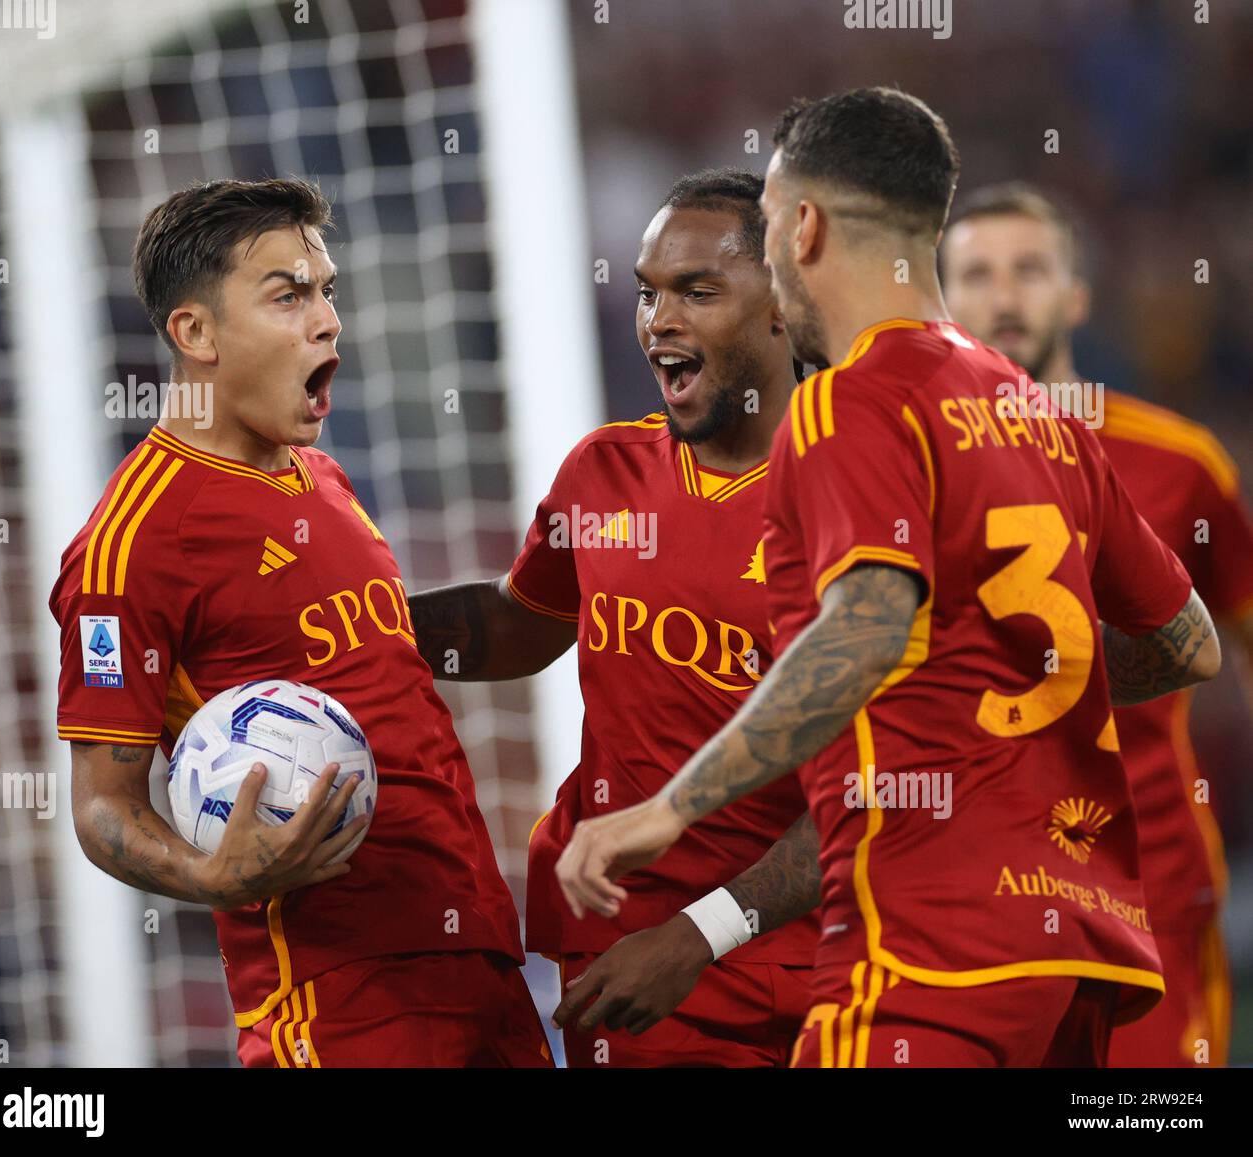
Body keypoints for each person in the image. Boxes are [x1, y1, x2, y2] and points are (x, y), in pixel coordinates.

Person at [555, 88, 1222, 1068]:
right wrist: (991, 673)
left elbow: (863, 627)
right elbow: (1185, 643)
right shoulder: (1036, 413)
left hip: (927, 951)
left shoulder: (850, 405)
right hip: (1078, 955)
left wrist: (667, 808)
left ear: (802, 224)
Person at [50, 178, 549, 1068]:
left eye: (327, 290)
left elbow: (382, 655)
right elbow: (102, 801)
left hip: (477, 959)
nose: (329, 320)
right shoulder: (132, 544)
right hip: (337, 1004)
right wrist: (209, 876)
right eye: (288, 295)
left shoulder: (321, 480)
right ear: (195, 333)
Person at [410, 169, 822, 1066]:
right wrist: (343, 628)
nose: (657, 321)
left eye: (696, 291)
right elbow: (523, 623)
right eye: (647, 291)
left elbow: (875, 788)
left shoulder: (853, 501)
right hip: (628, 955)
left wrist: (701, 932)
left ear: (786, 303)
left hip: (808, 960)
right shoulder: (605, 474)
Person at [942, 181, 1253, 1067]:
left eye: (1030, 270)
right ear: (942, 301)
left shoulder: (1178, 463)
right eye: (977, 274)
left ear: (1076, 293)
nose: (1004, 297)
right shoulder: (905, 465)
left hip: (1148, 885)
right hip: (968, 897)